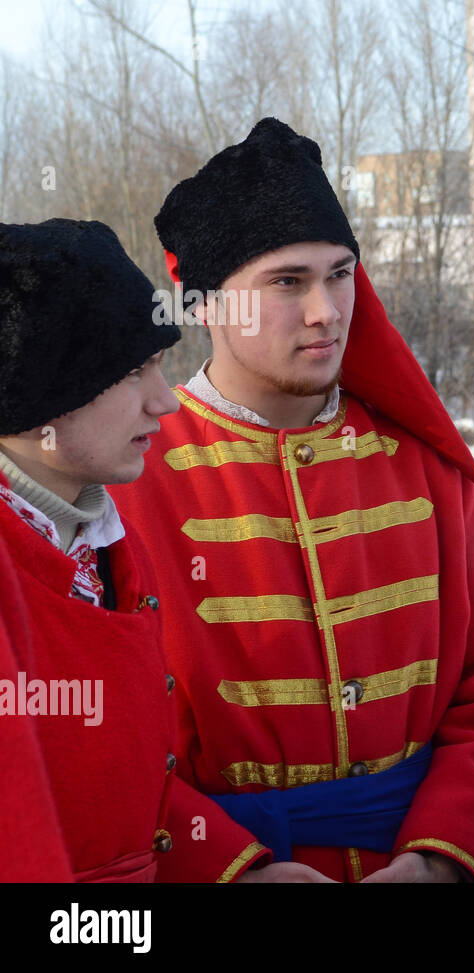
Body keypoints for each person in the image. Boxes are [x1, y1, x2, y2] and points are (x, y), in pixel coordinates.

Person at [111, 118, 474, 883]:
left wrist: (441, 859)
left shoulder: (427, 467)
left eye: (340, 274)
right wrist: (233, 869)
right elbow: (106, 741)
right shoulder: (127, 484)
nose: (328, 310)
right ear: (204, 306)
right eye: (286, 281)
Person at [0, 218, 267, 881]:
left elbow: (129, 793)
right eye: (134, 371)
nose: (166, 401)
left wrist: (237, 871)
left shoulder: (106, 545)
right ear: (41, 400)